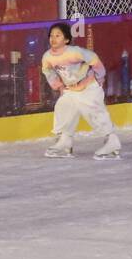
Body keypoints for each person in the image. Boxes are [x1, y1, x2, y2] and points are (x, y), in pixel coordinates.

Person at [41, 22, 120, 160]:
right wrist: (58, 85)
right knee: (63, 108)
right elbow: (47, 70)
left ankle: (112, 142)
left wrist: (99, 77)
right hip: (70, 89)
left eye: (58, 35)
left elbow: (94, 59)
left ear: (66, 39)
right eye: (51, 36)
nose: (53, 38)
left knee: (95, 113)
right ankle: (65, 141)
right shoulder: (47, 56)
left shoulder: (75, 52)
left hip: (88, 86)